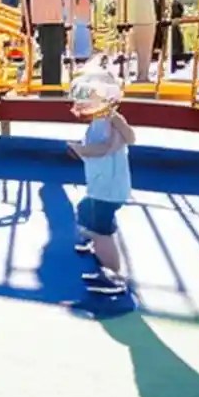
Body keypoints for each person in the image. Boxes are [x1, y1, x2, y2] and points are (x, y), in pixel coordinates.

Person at [67, 69, 136, 296]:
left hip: (108, 189)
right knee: (85, 209)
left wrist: (80, 150)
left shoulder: (111, 120)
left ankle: (113, 275)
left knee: (102, 231)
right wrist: (81, 147)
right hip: (101, 186)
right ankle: (93, 238)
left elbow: (107, 148)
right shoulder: (98, 121)